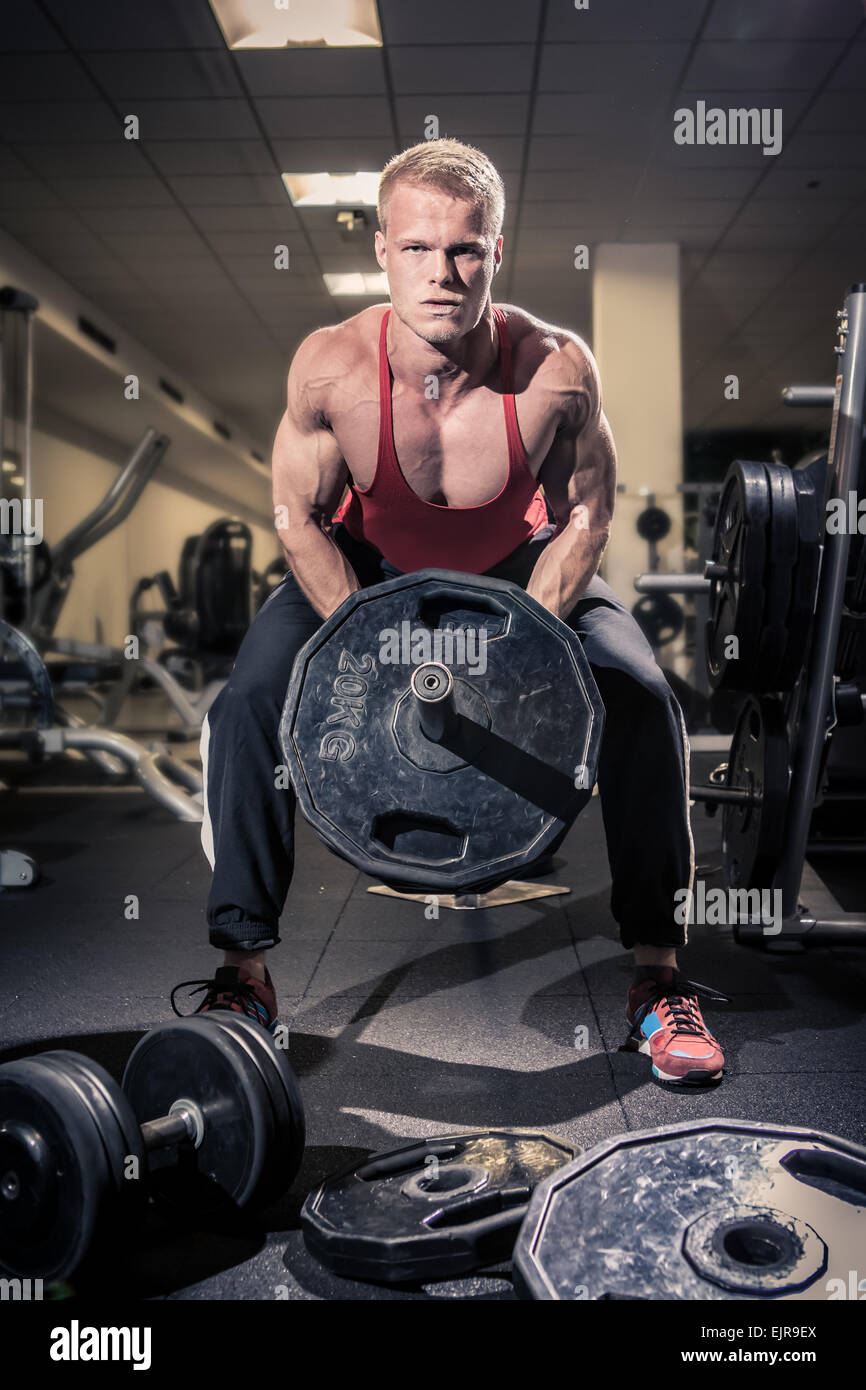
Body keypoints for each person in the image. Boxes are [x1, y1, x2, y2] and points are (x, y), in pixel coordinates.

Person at [181, 138, 726, 1088]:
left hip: (519, 568)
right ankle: (244, 973)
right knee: (245, 702)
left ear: (496, 253)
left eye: (465, 250)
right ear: (382, 249)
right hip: (367, 569)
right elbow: (296, 518)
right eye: (418, 248)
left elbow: (588, 513)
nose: (442, 272)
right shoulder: (330, 370)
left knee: (642, 692)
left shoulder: (555, 368)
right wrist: (369, 642)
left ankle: (658, 974)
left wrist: (524, 643)